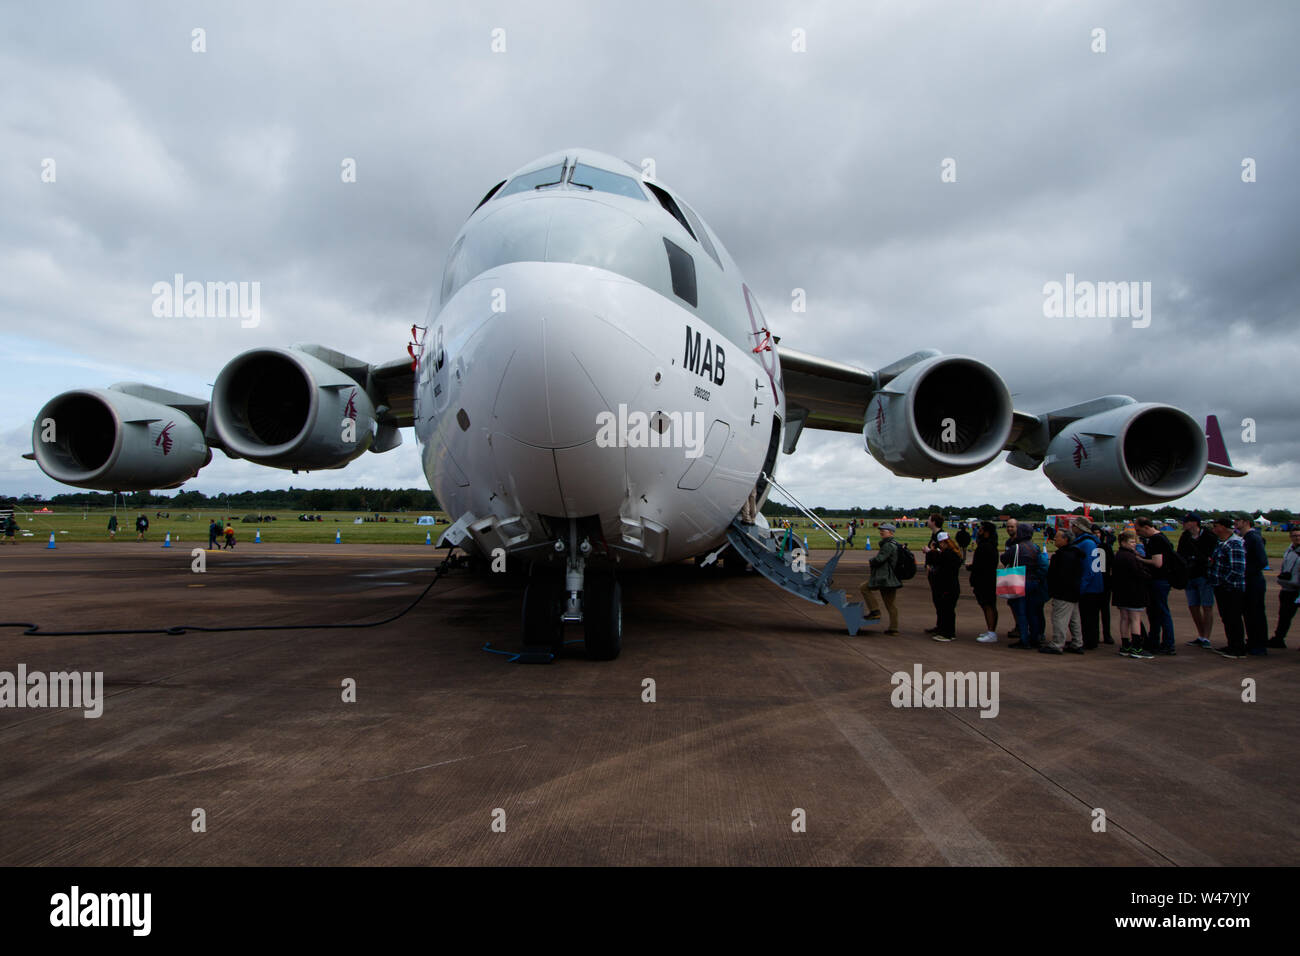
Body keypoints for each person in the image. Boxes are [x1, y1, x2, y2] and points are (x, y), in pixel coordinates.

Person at [1207, 517, 1248, 659]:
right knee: (1227, 618)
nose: (1214, 529)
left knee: (1233, 617)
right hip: (1222, 586)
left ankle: (1238, 647)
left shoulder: (1234, 544)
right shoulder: (1222, 543)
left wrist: (1225, 584)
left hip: (1231, 588)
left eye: (1216, 526)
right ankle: (1232, 644)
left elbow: (1238, 569)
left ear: (1224, 528)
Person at [1177, 513, 1219, 649]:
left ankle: (1206, 637)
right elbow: (1180, 554)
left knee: (1207, 606)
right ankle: (1201, 635)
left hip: (1204, 576)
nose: (1183, 524)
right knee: (1193, 606)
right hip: (1190, 575)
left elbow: (1212, 555)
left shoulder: (1209, 537)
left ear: (1194, 523)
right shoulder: (1185, 537)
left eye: (1186, 522)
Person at [1134, 517, 1175, 654]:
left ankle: (1168, 644)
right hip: (1162, 579)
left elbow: (1157, 563)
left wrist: (1140, 559)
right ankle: (1154, 641)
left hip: (1159, 580)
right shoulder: (1161, 538)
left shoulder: (1156, 540)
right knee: (1156, 612)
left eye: (1139, 530)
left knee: (1161, 612)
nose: (1138, 533)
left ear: (1146, 527)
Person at [1044, 527, 1085, 654]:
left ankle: (1057, 644)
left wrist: (1052, 589)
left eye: (1057, 537)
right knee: (1074, 618)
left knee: (1059, 618)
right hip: (1074, 590)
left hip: (1063, 592)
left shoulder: (1062, 556)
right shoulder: (1076, 553)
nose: (1055, 539)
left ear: (1065, 539)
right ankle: (1077, 643)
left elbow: (1057, 575)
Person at [1112, 530, 1153, 658]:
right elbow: (1139, 573)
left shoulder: (1119, 555)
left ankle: (1125, 645)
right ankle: (1136, 647)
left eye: (1134, 542)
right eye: (1131, 542)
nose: (1134, 544)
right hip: (1134, 591)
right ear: (1124, 542)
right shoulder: (1131, 557)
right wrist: (1148, 575)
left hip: (1121, 591)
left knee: (1124, 618)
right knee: (1135, 618)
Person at [1003, 523, 1043, 648]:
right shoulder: (1035, 547)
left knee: (1021, 612)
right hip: (1034, 580)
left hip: (1020, 580)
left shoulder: (1017, 547)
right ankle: (1035, 637)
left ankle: (1024, 639)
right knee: (1033, 612)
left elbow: (1004, 558)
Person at [1235, 516, 1269, 655]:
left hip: (1254, 581)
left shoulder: (1253, 537)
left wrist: (1245, 572)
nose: (1236, 523)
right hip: (1248, 580)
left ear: (1246, 522)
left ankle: (1259, 644)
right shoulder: (1244, 537)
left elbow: (1262, 561)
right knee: (1248, 613)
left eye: (1238, 520)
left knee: (1256, 613)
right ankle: (1253, 641)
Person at [1071, 517, 1106, 650]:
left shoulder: (1087, 543)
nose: (1072, 528)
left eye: (1073, 526)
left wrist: (1082, 586)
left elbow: (1089, 568)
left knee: (1088, 616)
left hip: (1090, 587)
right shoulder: (1092, 542)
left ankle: (1090, 641)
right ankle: (1090, 639)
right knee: (1089, 615)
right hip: (1093, 584)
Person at [859, 523, 901, 634]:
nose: (881, 532)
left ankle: (875, 611)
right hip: (890, 578)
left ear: (891, 532)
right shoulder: (894, 543)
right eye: (881, 530)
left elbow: (880, 559)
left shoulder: (888, 545)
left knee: (864, 587)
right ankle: (894, 628)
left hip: (885, 578)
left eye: (884, 530)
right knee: (890, 604)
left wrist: (871, 561)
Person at [970, 521, 1000, 643]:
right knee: (988, 605)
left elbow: (981, 565)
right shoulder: (990, 546)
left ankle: (991, 631)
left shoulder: (985, 547)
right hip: (987, 579)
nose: (979, 532)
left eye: (981, 530)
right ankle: (990, 630)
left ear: (986, 533)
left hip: (984, 580)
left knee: (988, 605)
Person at [930, 533, 964, 642]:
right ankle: (949, 632)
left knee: (946, 610)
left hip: (946, 586)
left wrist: (932, 553)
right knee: (949, 610)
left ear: (943, 543)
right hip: (952, 585)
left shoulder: (947, 554)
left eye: (940, 543)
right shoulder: (954, 553)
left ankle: (947, 633)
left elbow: (940, 567)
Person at [1270, 527, 1300, 648]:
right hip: (1288, 587)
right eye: (1294, 536)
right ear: (1290, 537)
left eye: (1299, 535)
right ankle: (1279, 638)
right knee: (1284, 616)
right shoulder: (1289, 549)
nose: (1297, 538)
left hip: (1297, 589)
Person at [921, 513, 945, 635]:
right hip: (933, 572)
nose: (927, 521)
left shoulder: (941, 536)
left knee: (940, 601)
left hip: (938, 573)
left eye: (929, 519)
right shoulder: (935, 535)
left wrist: (929, 551)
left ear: (934, 522)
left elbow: (943, 553)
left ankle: (942, 627)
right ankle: (939, 625)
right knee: (937, 600)